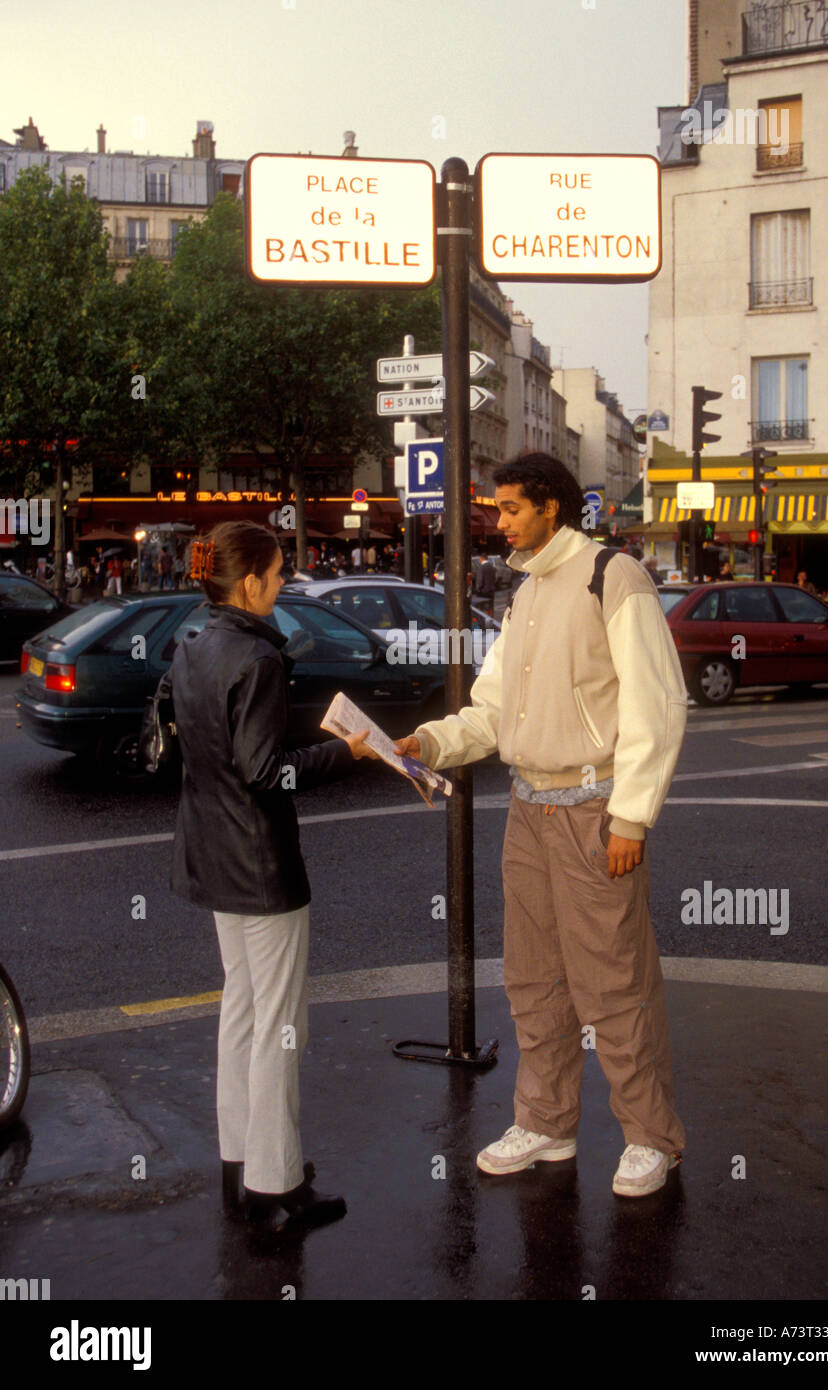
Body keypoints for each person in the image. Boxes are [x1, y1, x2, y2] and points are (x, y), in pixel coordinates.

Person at [394, 452, 687, 1197]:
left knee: (614, 983)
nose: (500, 522)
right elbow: (493, 711)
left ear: (551, 507)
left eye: (511, 508)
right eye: (498, 509)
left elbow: (659, 704)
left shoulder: (610, 577)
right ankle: (547, 1123)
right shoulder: (526, 593)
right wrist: (430, 742)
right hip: (527, 809)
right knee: (533, 980)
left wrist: (631, 817)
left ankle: (651, 1137)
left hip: (593, 810)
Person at [166, 520, 379, 1232]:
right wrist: (346, 752)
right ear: (250, 579)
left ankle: (240, 1167)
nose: (286, 583)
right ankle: (275, 1186)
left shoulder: (192, 640)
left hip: (211, 853)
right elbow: (267, 773)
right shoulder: (257, 660)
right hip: (260, 862)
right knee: (282, 1024)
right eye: (281, 572)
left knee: (242, 1011)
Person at [472, 546, 496, 615]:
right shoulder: (491, 567)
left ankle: (484, 621)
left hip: (483, 592)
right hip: (491, 590)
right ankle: (491, 618)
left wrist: (478, 589)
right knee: (490, 607)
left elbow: (480, 580)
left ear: (481, 559)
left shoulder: (481, 568)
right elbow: (494, 578)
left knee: (482, 608)